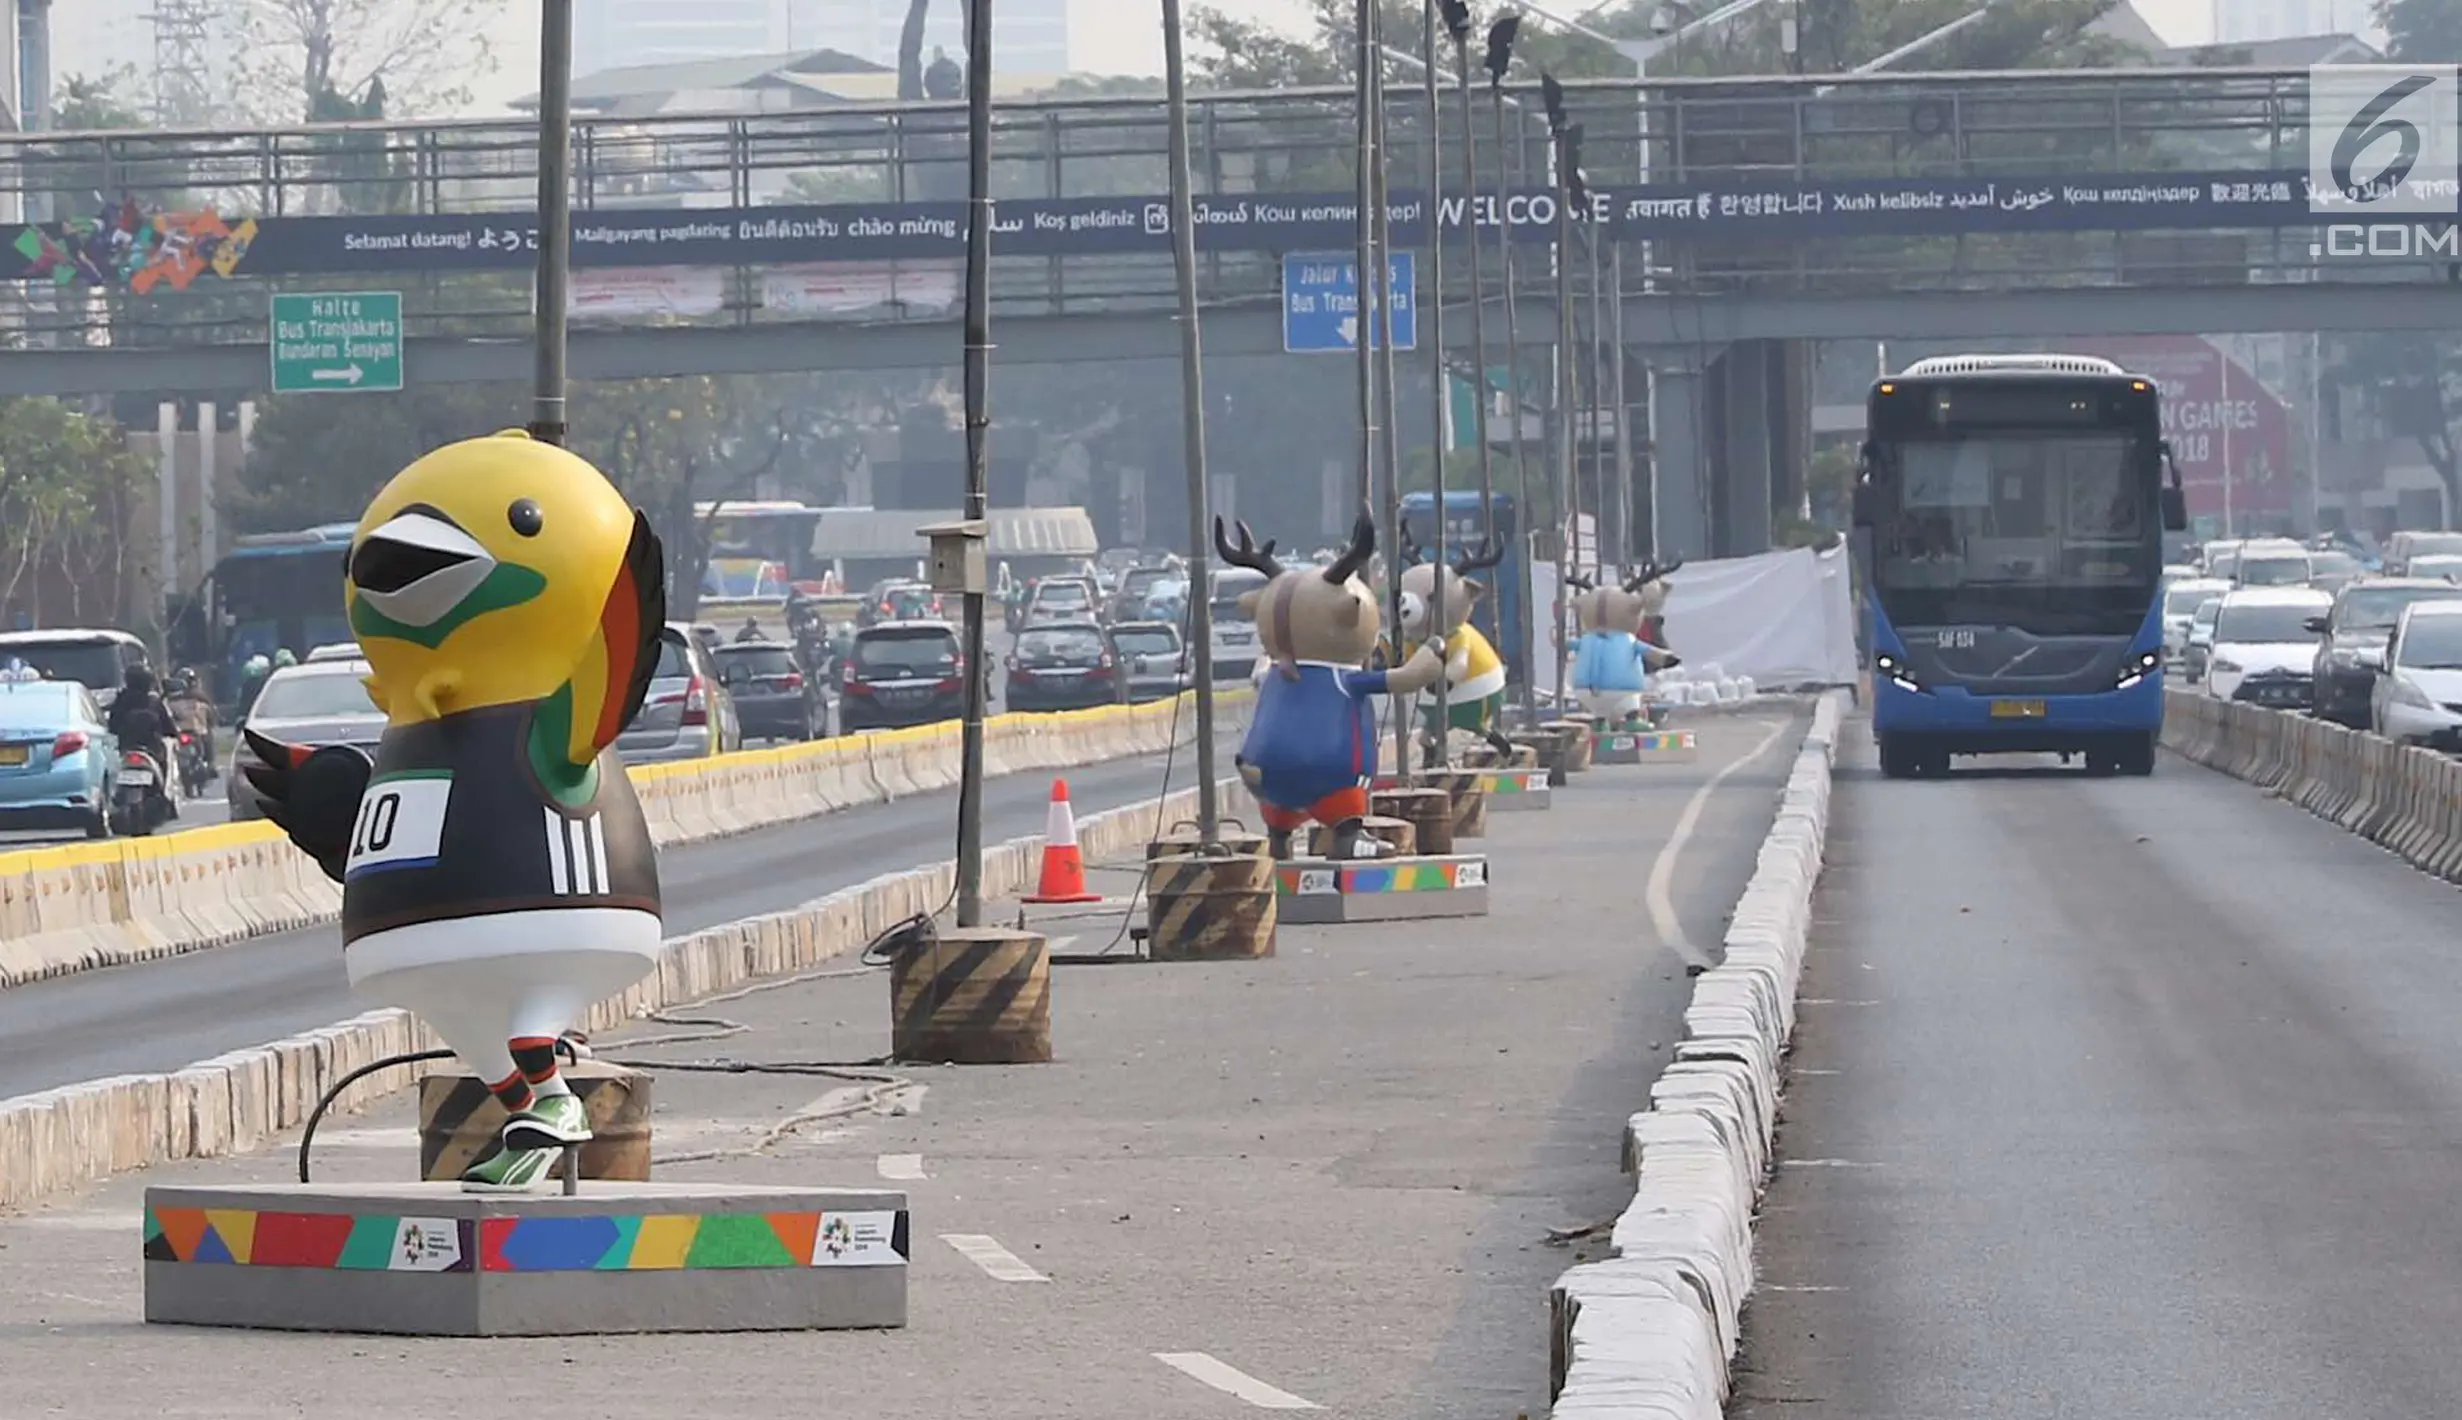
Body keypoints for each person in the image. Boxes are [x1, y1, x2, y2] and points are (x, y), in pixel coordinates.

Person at [107, 666, 174, 781]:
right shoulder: (154, 702)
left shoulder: (120, 701)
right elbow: (168, 726)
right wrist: (174, 734)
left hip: (126, 747)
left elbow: (112, 726)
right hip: (152, 748)